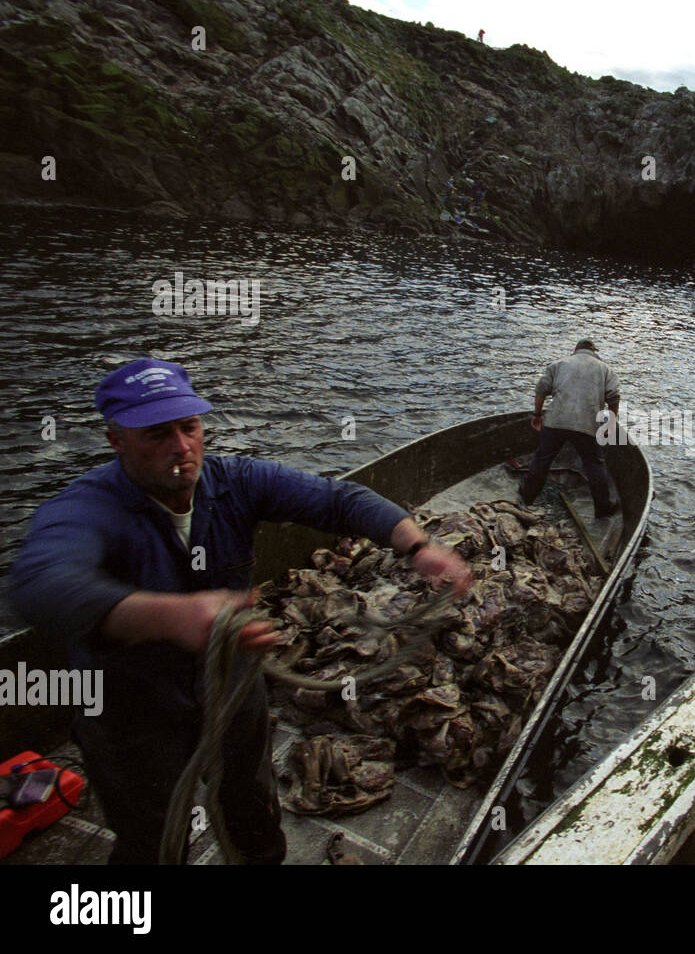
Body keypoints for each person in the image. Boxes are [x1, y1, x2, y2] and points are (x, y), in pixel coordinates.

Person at [7, 358, 470, 864]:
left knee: (251, 807)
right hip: (129, 710)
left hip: (234, 691)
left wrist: (418, 547)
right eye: (158, 434)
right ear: (117, 441)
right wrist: (170, 617)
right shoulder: (87, 508)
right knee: (152, 835)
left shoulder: (236, 482)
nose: (181, 447)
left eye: (189, 427)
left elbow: (340, 500)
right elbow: (39, 583)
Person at [519, 340, 620, 518]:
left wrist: (536, 415)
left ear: (575, 350)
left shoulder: (558, 364)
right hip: (587, 425)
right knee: (595, 463)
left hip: (556, 421)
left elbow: (541, 390)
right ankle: (603, 508)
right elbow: (614, 398)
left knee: (542, 458)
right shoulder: (605, 369)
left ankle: (527, 496)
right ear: (594, 352)